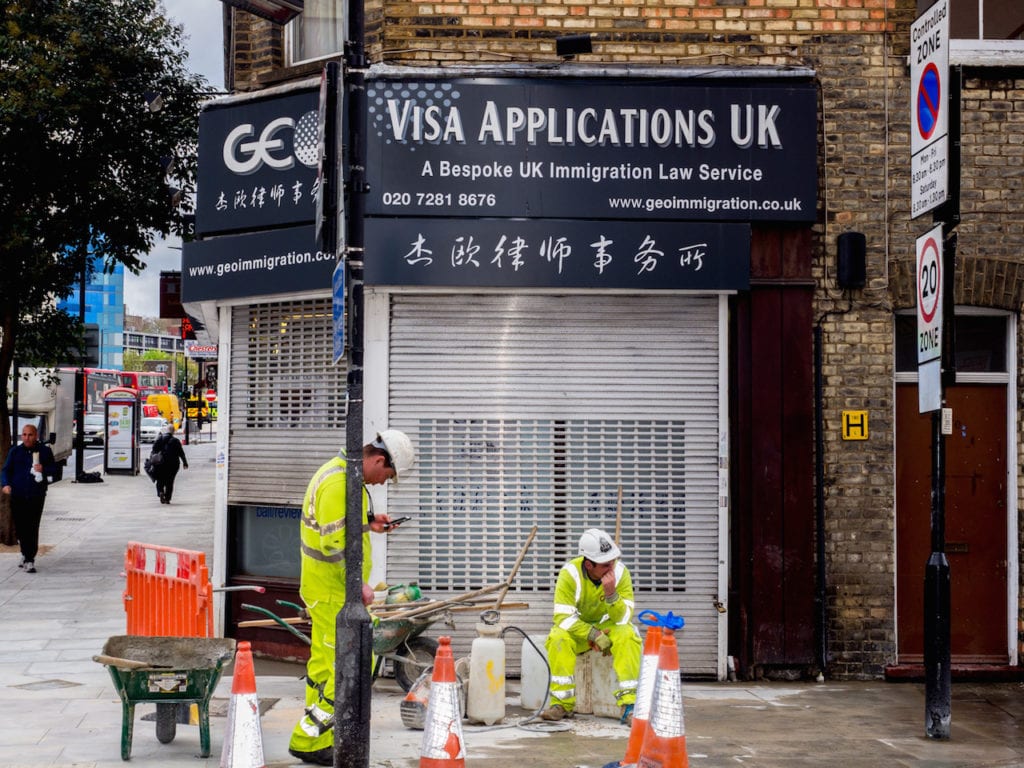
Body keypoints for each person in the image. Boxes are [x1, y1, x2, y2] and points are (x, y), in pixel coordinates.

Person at [289, 429, 416, 766]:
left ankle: (321, 735)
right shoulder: (337, 484)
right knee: (352, 662)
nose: (384, 482)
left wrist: (371, 523)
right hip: (335, 593)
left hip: (327, 591)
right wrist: (359, 585)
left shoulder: (342, 475)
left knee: (322, 668)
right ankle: (307, 737)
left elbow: (341, 528)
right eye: (387, 475)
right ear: (377, 459)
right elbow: (336, 543)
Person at [540, 527, 642, 726]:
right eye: (605, 565)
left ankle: (630, 706)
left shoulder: (621, 573)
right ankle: (562, 704)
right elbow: (563, 617)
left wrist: (611, 594)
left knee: (628, 635)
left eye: (612, 561)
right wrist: (593, 634)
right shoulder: (569, 573)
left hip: (609, 628)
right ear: (588, 564)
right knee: (558, 637)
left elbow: (624, 618)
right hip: (580, 631)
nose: (611, 568)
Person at [1, 425, 57, 573]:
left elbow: (55, 470)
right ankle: (25, 553)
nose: (27, 438)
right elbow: (6, 470)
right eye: (24, 435)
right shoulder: (15, 452)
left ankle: (29, 558)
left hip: (36, 495)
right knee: (20, 527)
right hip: (18, 494)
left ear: (36, 435)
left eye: (30, 435)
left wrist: (43, 469)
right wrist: (5, 484)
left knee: (32, 526)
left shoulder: (45, 451)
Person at [150, 424, 188, 504]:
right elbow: (181, 453)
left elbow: (153, 450)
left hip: (160, 463)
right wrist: (185, 462)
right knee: (170, 481)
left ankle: (160, 492)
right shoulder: (176, 441)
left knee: (160, 479)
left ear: (167, 430)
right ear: (173, 431)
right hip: (173, 464)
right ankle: (167, 498)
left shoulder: (159, 439)